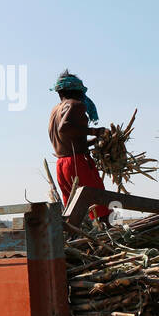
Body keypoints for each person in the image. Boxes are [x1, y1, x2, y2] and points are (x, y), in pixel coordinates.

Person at [48, 70, 110, 224]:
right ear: (77, 91)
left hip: (62, 164)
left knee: (74, 210)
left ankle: (75, 238)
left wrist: (94, 141)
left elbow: (68, 138)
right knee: (100, 203)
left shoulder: (55, 110)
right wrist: (95, 131)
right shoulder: (75, 104)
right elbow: (65, 128)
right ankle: (110, 239)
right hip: (77, 163)